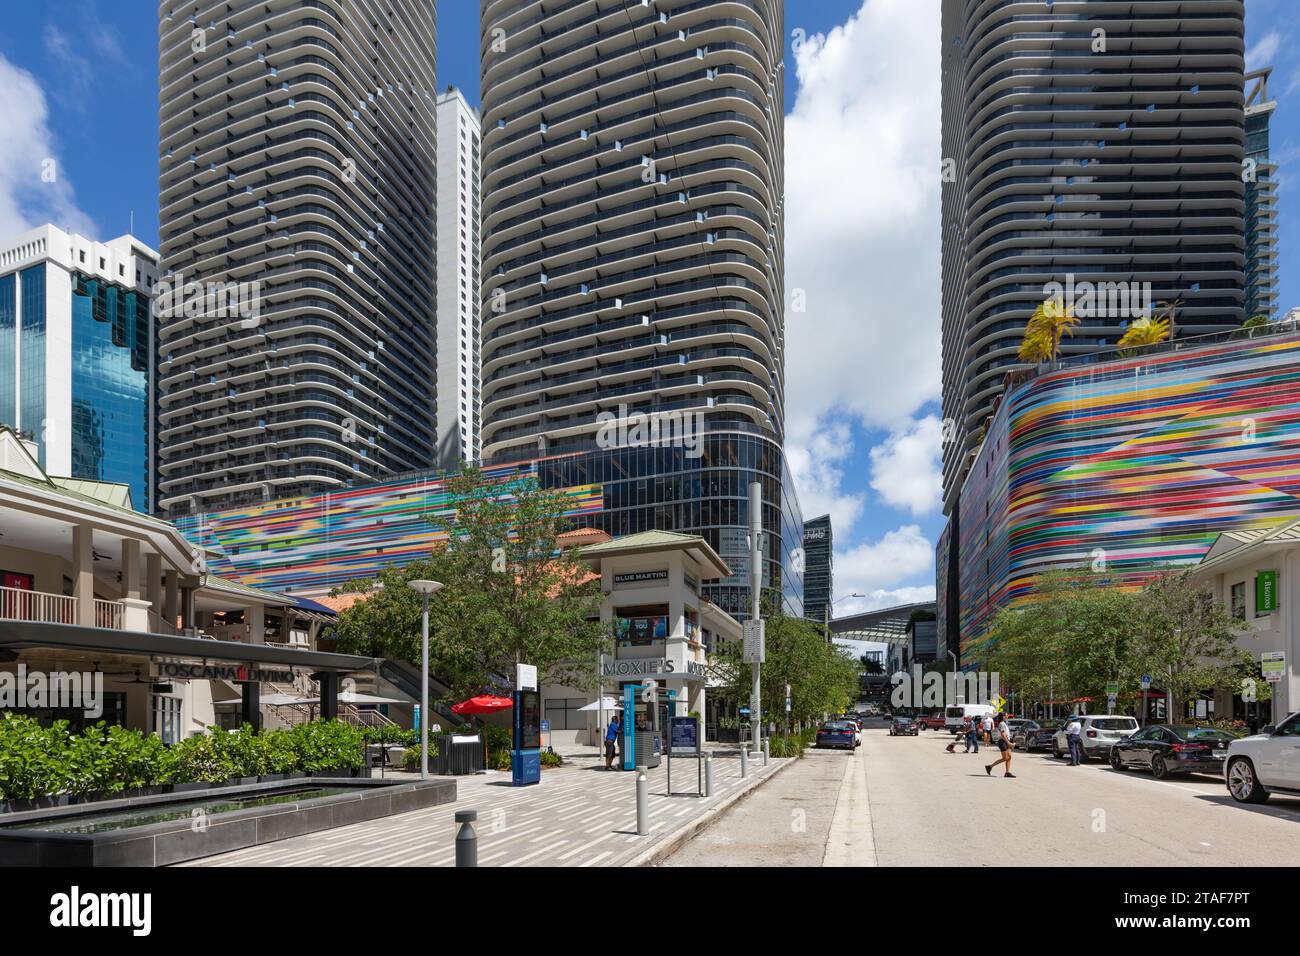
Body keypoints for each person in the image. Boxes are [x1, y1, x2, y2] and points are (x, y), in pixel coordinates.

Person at [985, 713, 1016, 778]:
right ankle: (990, 767)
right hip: (1003, 742)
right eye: (1006, 715)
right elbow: (1002, 734)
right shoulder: (1001, 724)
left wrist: (1010, 742)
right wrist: (1009, 743)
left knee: (1009, 757)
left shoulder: (1004, 723)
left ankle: (1007, 772)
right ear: (1003, 716)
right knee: (1005, 758)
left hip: (1006, 741)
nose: (1007, 716)